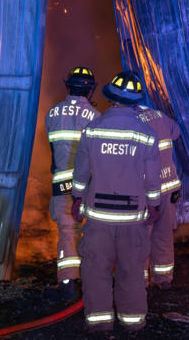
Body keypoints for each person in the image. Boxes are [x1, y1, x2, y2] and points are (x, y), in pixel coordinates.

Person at [70, 71, 162, 332]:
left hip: (98, 217)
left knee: (95, 270)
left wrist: (77, 199)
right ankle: (133, 324)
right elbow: (152, 179)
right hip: (132, 219)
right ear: (136, 101)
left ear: (111, 97)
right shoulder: (147, 134)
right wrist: (153, 206)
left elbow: (81, 172)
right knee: (131, 271)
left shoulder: (93, 130)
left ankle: (99, 324)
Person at [45, 66, 99, 298]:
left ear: (68, 87)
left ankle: (68, 282)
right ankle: (92, 281)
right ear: (90, 90)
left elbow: (53, 153)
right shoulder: (96, 117)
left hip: (61, 184)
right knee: (91, 232)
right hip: (86, 185)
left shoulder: (52, 114)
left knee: (67, 232)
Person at [137, 103, 181, 290]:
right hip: (169, 186)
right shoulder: (159, 115)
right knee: (163, 234)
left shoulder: (129, 121)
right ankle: (163, 278)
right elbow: (176, 132)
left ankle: (140, 281)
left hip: (146, 190)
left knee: (140, 237)